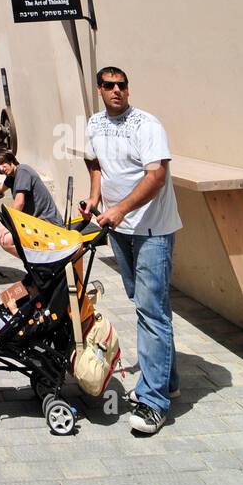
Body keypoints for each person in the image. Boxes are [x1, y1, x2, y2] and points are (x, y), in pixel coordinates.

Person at [82, 66, 181, 436]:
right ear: (100, 90)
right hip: (118, 229)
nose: (117, 91)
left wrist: (119, 208)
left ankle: (153, 402)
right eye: (109, 86)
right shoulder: (93, 124)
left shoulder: (147, 125)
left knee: (150, 311)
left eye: (122, 85)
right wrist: (95, 198)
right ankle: (168, 380)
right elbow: (93, 162)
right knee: (146, 302)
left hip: (153, 230)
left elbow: (157, 176)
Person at [0, 147, 63, 261]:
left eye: (2, 163)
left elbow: (19, 203)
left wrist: (9, 225)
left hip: (48, 223)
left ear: (10, 159)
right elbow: (0, 188)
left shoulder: (22, 171)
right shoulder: (13, 176)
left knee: (6, 240)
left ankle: (39, 264)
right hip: (35, 221)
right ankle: (35, 263)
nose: (1, 168)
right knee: (1, 232)